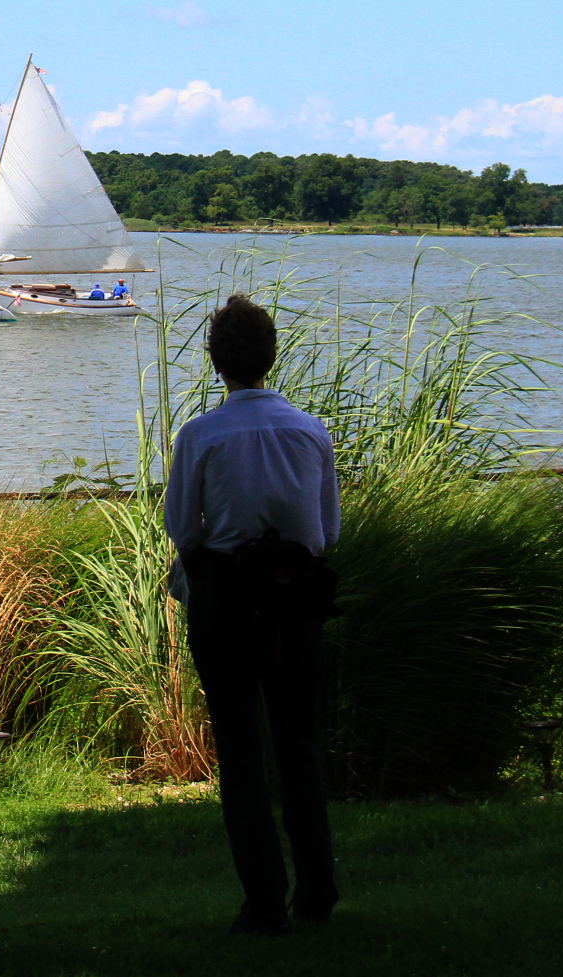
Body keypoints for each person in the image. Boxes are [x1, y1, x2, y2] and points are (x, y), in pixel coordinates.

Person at [163, 294, 340, 936]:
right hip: (296, 605)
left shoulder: (201, 435)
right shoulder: (310, 431)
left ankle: (263, 901)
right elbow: (326, 532)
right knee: (299, 748)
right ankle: (317, 892)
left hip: (227, 605)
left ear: (216, 363)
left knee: (239, 753)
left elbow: (183, 528)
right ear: (271, 356)